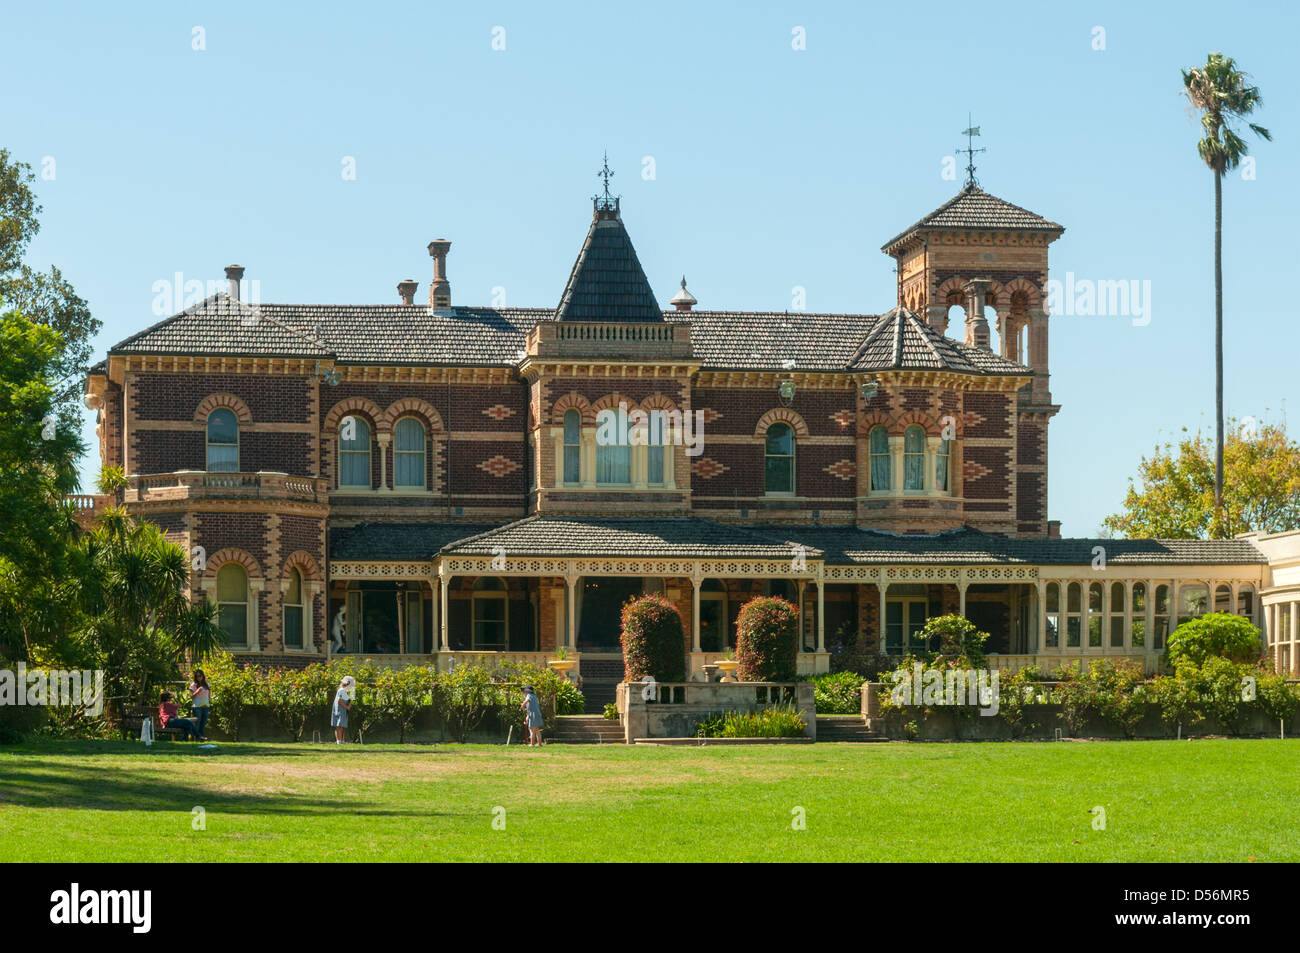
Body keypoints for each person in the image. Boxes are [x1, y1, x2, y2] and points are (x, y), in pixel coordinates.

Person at [188, 669, 211, 741]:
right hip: (197, 707)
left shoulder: (207, 684)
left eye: (200, 676)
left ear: (203, 676)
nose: (199, 677)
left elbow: (209, 696)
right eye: (197, 676)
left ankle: (201, 739)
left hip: (206, 707)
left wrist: (208, 702)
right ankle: (196, 740)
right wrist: (197, 691)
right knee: (197, 725)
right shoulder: (193, 685)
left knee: (203, 725)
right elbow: (191, 697)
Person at [332, 675, 355, 744]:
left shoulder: (345, 690)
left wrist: (352, 695)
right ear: (347, 684)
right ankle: (339, 741)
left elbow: (349, 700)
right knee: (339, 725)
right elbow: (339, 700)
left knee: (342, 725)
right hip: (339, 709)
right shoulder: (342, 690)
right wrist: (347, 707)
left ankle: (341, 740)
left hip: (342, 709)